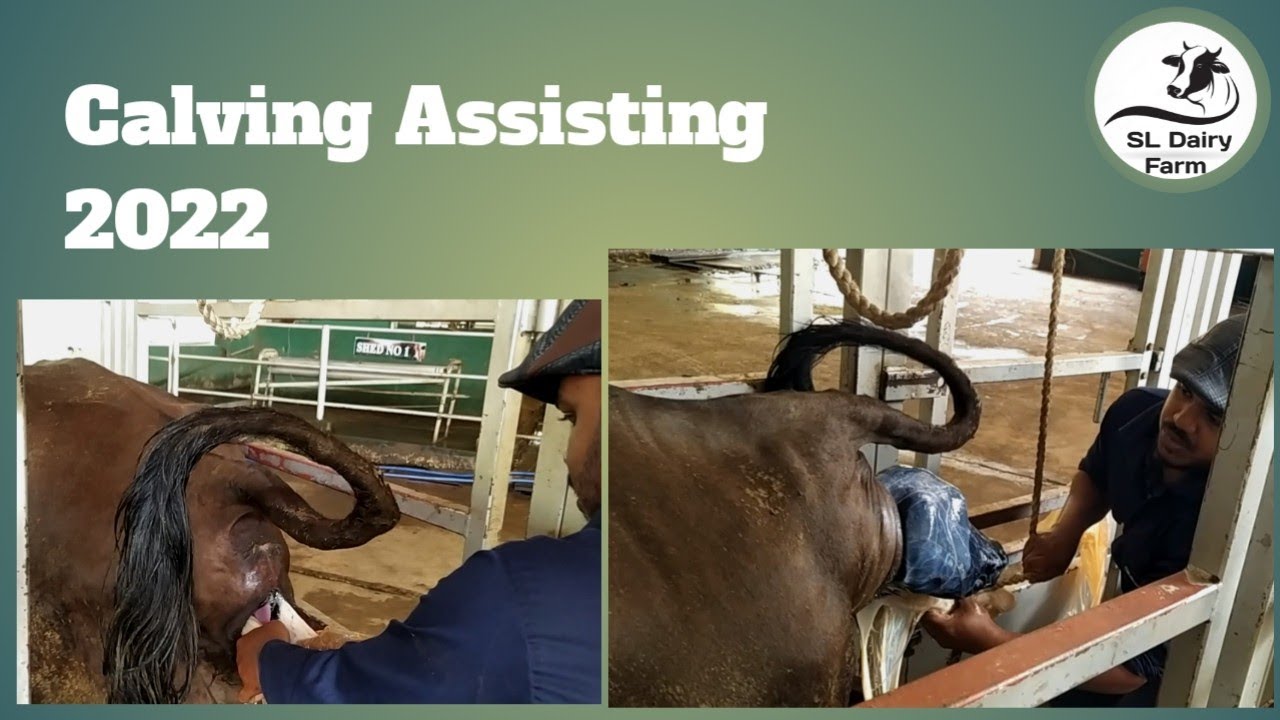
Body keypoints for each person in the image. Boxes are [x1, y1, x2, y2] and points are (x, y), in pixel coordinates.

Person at [235, 300, 602, 704]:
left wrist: (267, 657)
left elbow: (353, 694)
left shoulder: (517, 596)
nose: (567, 453)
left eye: (573, 416)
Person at [919, 313, 1248, 707]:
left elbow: (1130, 670)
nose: (1180, 419)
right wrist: (1066, 534)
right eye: (1185, 390)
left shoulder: (1230, 525)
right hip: (1139, 613)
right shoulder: (1136, 415)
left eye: (1214, 417)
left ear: (1253, 438)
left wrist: (990, 641)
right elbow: (1100, 472)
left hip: (1199, 658)